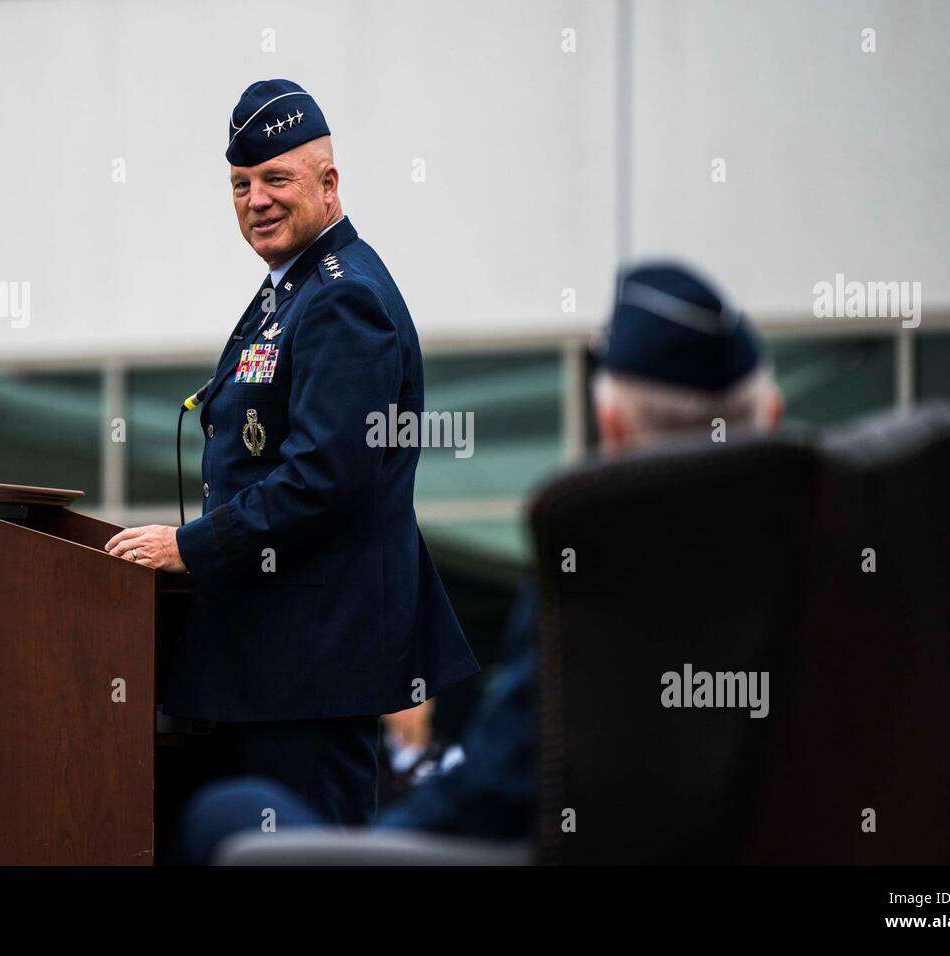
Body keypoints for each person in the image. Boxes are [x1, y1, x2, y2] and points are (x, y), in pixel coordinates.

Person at [176, 261, 785, 862]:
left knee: (227, 815)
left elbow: (497, 787)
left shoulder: (598, 574)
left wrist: (381, 842)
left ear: (613, 428)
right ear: (774, 414)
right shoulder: (818, 566)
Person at [104, 79, 479, 826]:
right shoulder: (295, 287)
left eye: (276, 179)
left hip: (309, 664)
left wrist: (189, 546)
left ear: (328, 184)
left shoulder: (343, 296)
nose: (256, 201)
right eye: (240, 185)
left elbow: (324, 476)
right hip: (271, 660)